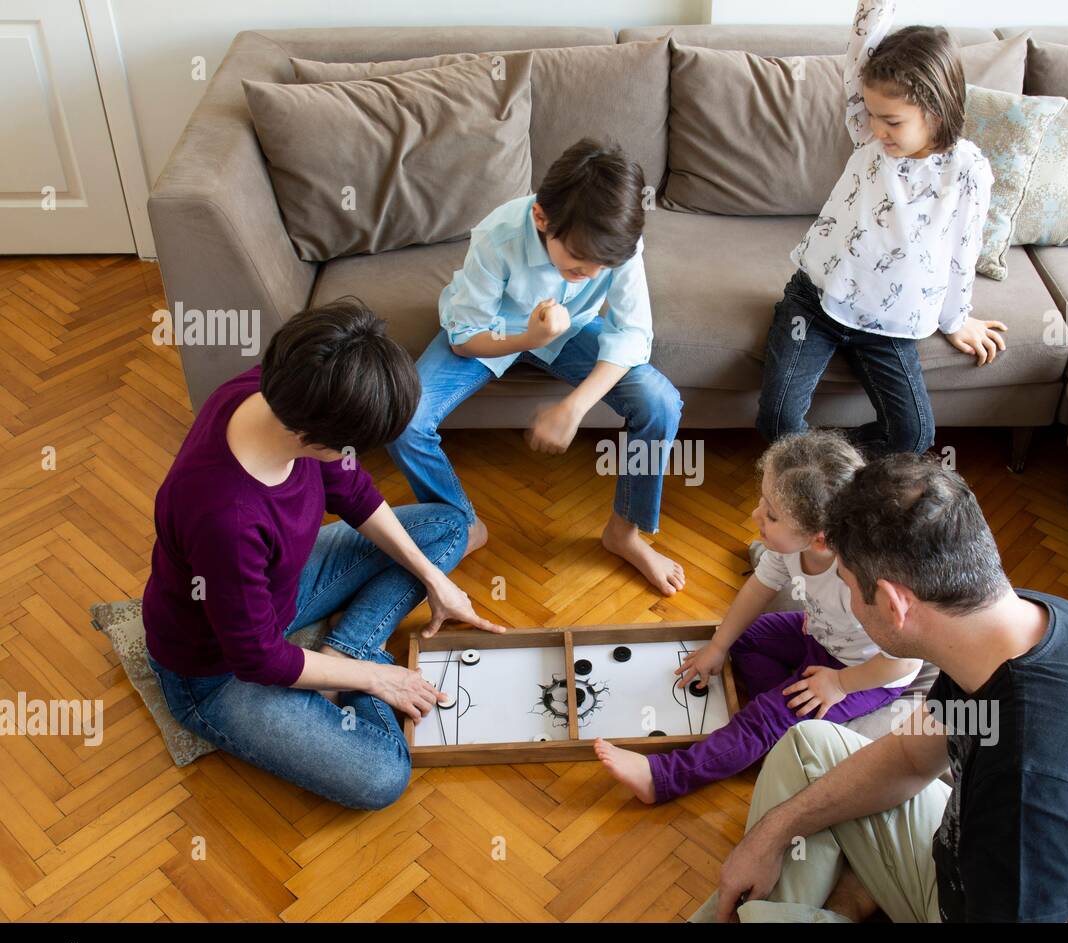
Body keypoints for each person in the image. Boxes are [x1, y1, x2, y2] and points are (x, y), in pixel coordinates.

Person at [694, 453, 1068, 922]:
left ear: (893, 604)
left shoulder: (1032, 778)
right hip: (960, 855)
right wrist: (773, 831)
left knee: (763, 908)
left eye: (845, 584)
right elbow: (911, 759)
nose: (841, 596)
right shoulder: (1002, 625)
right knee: (803, 746)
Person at [143, 299, 503, 810]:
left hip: (283, 586)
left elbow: (352, 491)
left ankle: (346, 647)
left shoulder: (285, 391)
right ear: (316, 437)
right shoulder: (227, 519)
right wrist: (382, 678)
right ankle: (356, 657)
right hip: (218, 671)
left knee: (447, 526)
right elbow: (259, 657)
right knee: (381, 776)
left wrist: (433, 579)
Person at [387, 139, 686, 595]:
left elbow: (633, 334)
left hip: (573, 330)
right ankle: (462, 525)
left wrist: (574, 407)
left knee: (659, 401)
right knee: (405, 419)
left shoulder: (618, 242)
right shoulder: (498, 236)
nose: (591, 274)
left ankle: (623, 534)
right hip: (492, 332)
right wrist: (531, 338)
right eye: (578, 264)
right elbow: (464, 337)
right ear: (542, 219)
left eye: (601, 267)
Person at [595, 431, 919, 802]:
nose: (755, 515)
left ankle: (663, 779)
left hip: (866, 674)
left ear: (819, 538)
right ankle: (775, 732)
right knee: (743, 639)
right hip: (818, 637)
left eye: (771, 515)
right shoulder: (788, 547)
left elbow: (905, 661)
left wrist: (840, 684)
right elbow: (757, 590)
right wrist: (718, 646)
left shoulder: (863, 583)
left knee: (764, 718)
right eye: (763, 501)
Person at [757, 0, 1007, 454]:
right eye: (872, 114)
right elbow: (860, 50)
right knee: (778, 419)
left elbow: (963, 252)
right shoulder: (869, 138)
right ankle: (814, 463)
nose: (878, 127)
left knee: (914, 436)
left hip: (890, 322)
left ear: (935, 110)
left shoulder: (966, 171)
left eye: (891, 121)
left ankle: (827, 461)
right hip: (816, 299)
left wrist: (955, 319)